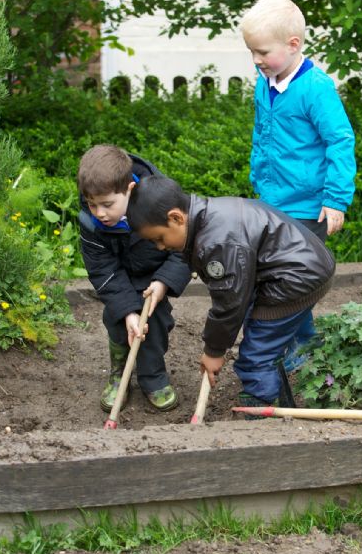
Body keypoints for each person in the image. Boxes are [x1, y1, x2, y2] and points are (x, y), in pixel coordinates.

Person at [126, 175, 335, 413]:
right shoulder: (206, 216)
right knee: (259, 335)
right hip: (299, 266)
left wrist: (213, 352)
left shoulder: (217, 243)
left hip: (297, 278)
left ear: (176, 217)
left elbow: (229, 303)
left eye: (159, 238)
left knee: (255, 357)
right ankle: (278, 394)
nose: (161, 247)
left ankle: (263, 416)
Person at [238, 0, 356, 371]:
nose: (256, 60)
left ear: (293, 46)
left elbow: (340, 140)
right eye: (252, 52)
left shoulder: (315, 88)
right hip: (273, 199)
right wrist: (259, 175)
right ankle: (298, 338)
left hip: (307, 206)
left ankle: (303, 343)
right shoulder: (266, 80)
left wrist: (336, 199)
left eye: (262, 52)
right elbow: (263, 132)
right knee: (276, 276)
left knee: (294, 278)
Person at [77, 145, 192, 412]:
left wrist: (163, 282)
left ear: (129, 188)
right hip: (120, 276)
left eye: (107, 205)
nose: (99, 213)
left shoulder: (161, 202)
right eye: (92, 204)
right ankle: (120, 375)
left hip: (155, 274)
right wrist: (128, 311)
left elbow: (184, 248)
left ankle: (153, 376)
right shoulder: (91, 223)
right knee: (118, 321)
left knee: (156, 322)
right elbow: (102, 269)